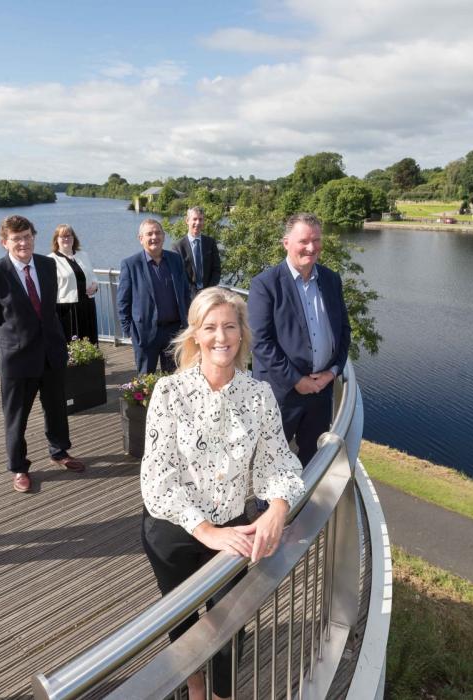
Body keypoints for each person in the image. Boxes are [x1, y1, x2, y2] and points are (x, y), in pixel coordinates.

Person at [140, 287, 305, 700]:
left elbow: (280, 463)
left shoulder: (259, 396)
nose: (221, 337)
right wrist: (206, 530)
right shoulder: (169, 393)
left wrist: (277, 508)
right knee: (181, 620)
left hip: (233, 528)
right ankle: (195, 688)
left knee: (230, 622)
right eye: (210, 327)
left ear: (242, 334)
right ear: (195, 334)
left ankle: (222, 694)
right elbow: (157, 479)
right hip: (174, 530)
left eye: (230, 326)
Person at [0, 215, 86, 494]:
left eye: (27, 236)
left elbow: (51, 310)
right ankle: (19, 467)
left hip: (51, 352)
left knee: (56, 407)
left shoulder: (49, 265)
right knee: (16, 417)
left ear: (34, 237)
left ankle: (59, 451)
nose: (23, 243)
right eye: (16, 238)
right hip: (18, 358)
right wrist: (12, 345)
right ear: (5, 242)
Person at [248, 212, 351, 466]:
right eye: (304, 241)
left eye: (316, 240)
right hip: (280, 392)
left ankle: (305, 505)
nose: (311, 247)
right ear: (286, 243)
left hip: (320, 390)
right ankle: (266, 506)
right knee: (271, 458)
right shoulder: (265, 284)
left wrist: (333, 372)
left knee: (312, 458)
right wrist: (297, 380)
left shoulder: (331, 279)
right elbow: (260, 342)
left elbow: (344, 331)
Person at [117, 218, 191, 374]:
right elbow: (123, 302)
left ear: (163, 236)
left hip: (174, 331)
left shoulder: (175, 259)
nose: (154, 237)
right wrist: (129, 331)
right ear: (141, 239)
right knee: (145, 379)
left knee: (174, 378)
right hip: (145, 333)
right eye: (149, 234)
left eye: (158, 233)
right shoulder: (131, 264)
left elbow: (185, 293)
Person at [47, 224, 99, 344]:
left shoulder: (83, 255)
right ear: (56, 240)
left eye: (69, 235)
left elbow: (93, 277)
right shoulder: (50, 260)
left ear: (73, 237)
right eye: (62, 236)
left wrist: (95, 286)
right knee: (71, 342)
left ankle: (91, 362)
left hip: (87, 305)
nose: (66, 238)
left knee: (90, 340)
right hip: (67, 309)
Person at [172, 205, 222, 294]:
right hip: (188, 296)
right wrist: (194, 294)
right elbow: (179, 275)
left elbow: (216, 269)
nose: (198, 222)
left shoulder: (210, 243)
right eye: (194, 219)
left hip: (208, 294)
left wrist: (208, 291)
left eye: (200, 219)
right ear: (187, 221)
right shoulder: (178, 247)